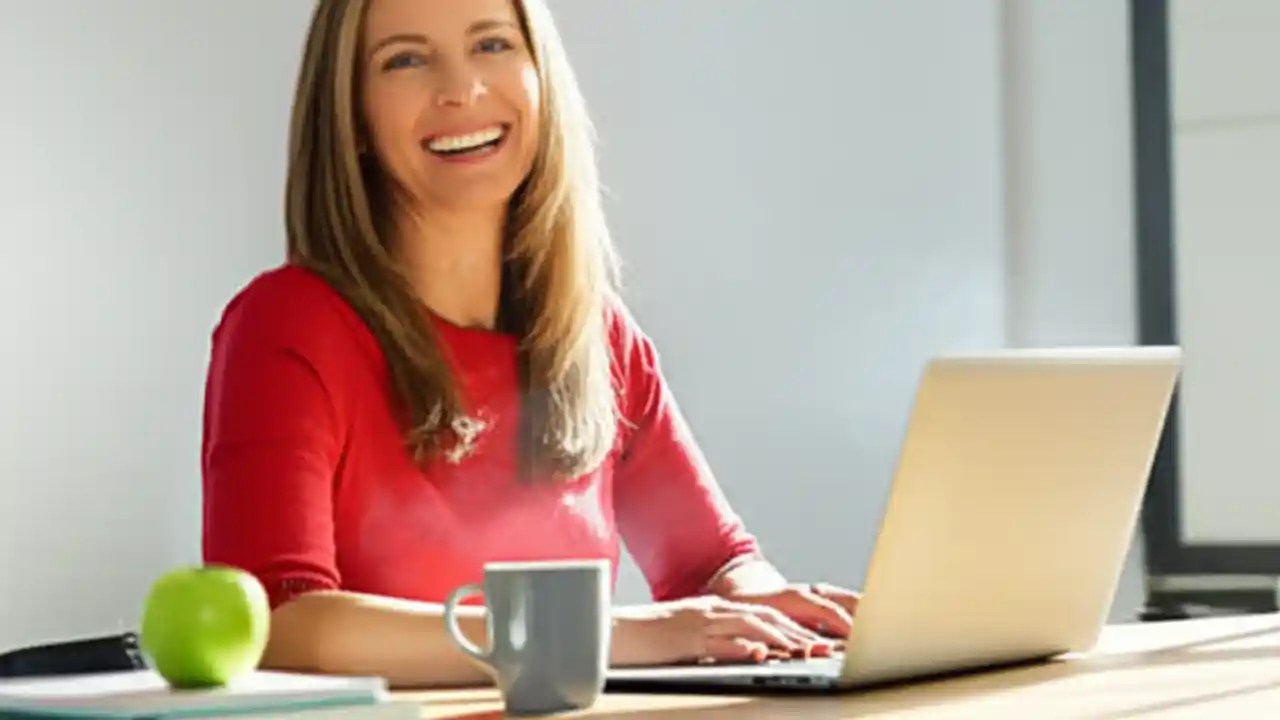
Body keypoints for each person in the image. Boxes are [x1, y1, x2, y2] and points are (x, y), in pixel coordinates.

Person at [201, 0, 861, 688]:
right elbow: (279, 623)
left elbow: (711, 566)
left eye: (491, 45)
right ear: (351, 119)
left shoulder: (595, 335)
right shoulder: (288, 326)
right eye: (405, 59)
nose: (462, 89)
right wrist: (604, 636)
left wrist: (773, 606)